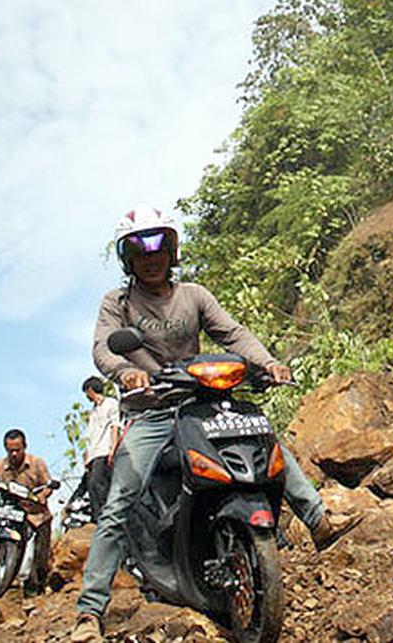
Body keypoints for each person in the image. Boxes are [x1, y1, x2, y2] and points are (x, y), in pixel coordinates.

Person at [72, 205, 358, 641]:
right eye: (138, 247)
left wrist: (268, 362)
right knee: (120, 501)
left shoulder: (194, 295)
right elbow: (103, 350)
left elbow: (233, 333)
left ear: (171, 248)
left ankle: (318, 520)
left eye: (158, 244)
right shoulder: (119, 303)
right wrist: (126, 372)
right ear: (127, 258)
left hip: (203, 398)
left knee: (262, 436)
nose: (151, 255)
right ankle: (90, 611)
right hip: (151, 409)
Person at [0, 429, 53, 597]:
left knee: (40, 556)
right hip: (12, 512)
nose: (13, 454)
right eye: (10, 450)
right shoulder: (1, 464)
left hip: (37, 515)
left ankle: (35, 591)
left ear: (24, 447)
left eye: (17, 450)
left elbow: (49, 484)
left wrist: (42, 495)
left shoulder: (36, 463)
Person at [81, 376, 120, 519]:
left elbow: (115, 426)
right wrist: (86, 456)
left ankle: (106, 517)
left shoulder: (110, 403)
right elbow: (89, 436)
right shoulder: (93, 411)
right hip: (93, 453)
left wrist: (113, 449)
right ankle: (97, 518)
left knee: (98, 484)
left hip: (104, 451)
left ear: (90, 390)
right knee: (91, 487)